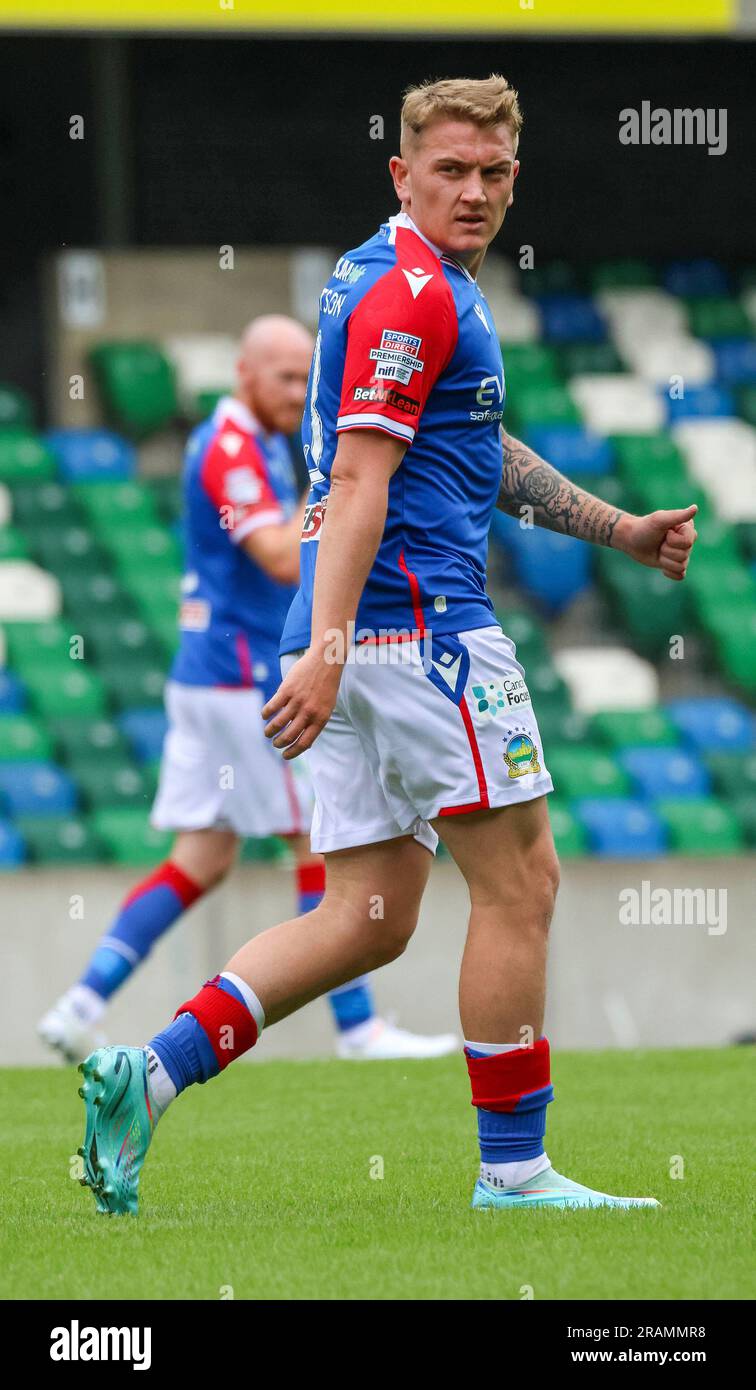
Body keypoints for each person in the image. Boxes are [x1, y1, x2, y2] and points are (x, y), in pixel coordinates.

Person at [75, 75, 697, 1216]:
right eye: (450, 169)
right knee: (522, 882)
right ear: (401, 172)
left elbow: (475, 447)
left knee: (368, 913)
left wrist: (616, 526)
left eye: (494, 172)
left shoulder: (384, 276)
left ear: (516, 176)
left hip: (362, 646)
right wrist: (325, 644)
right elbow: (359, 475)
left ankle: (147, 1072)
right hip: (420, 637)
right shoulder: (418, 294)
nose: (474, 190)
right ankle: (514, 1170)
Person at [40, 315, 456, 1066]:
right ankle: (358, 1029)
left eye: (307, 379)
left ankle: (78, 1006)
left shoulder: (255, 440)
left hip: (208, 679)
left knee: (201, 858)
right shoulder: (231, 447)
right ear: (243, 372)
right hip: (240, 679)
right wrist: (351, 498)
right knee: (316, 839)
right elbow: (276, 556)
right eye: (285, 379)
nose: (299, 394)